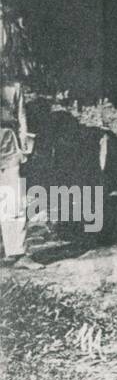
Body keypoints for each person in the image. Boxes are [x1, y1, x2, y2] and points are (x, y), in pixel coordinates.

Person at [0, 81, 37, 270]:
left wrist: (24, 148)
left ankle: (17, 253)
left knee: (13, 200)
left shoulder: (13, 87)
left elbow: (22, 118)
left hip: (8, 146)